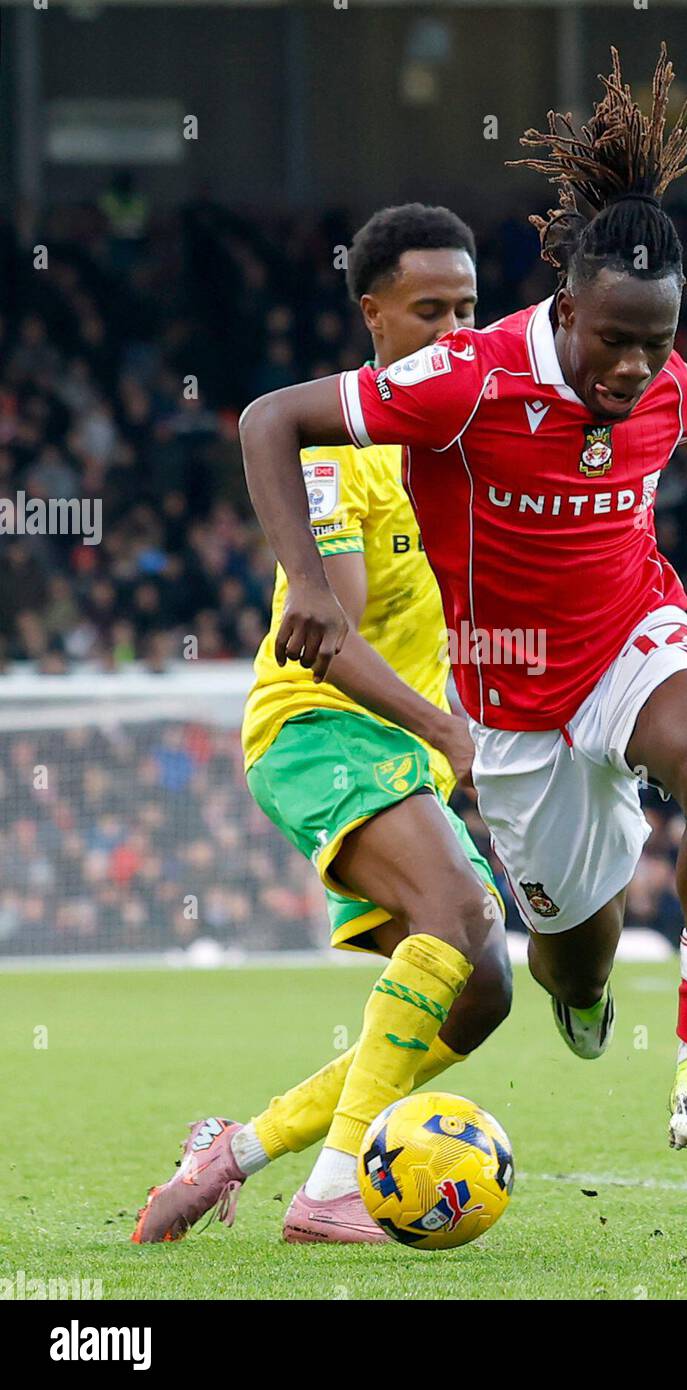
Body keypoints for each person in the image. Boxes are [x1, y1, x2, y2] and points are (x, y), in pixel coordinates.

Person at [238, 47, 687, 1162]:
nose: (636, 370)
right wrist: (304, 578)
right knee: (569, 961)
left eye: (658, 342)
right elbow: (267, 420)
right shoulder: (467, 380)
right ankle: (587, 1000)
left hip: (632, 635)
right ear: (566, 307)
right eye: (616, 341)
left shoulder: (656, 375)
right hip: (514, 702)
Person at [134, 205, 511, 1246]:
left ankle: (237, 1150)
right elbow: (323, 634)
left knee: (482, 993)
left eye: (469, 309)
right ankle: (334, 1189)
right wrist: (447, 728)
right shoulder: (337, 449)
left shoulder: (471, 447)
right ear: (372, 314)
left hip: (402, 748)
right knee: (451, 913)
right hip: (317, 726)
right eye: (427, 309)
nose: (451, 331)